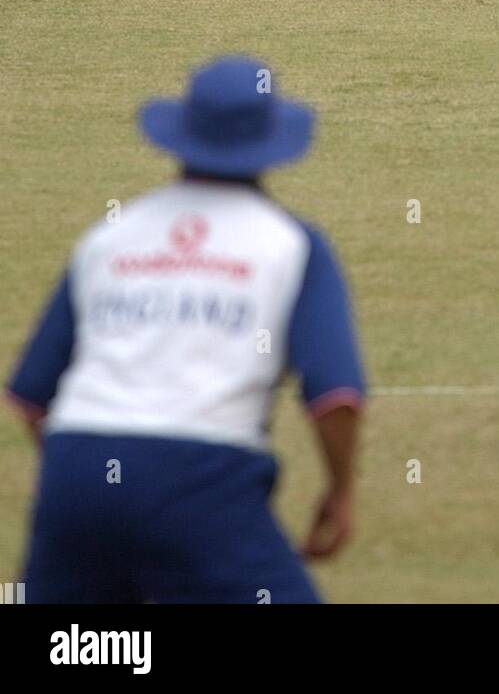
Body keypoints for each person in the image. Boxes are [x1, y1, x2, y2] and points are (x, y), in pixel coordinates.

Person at [5, 56, 366, 604]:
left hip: (77, 470)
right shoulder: (294, 245)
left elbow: (31, 397)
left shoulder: (110, 237)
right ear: (271, 143)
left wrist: (93, 495)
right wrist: (340, 491)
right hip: (204, 478)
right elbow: (336, 398)